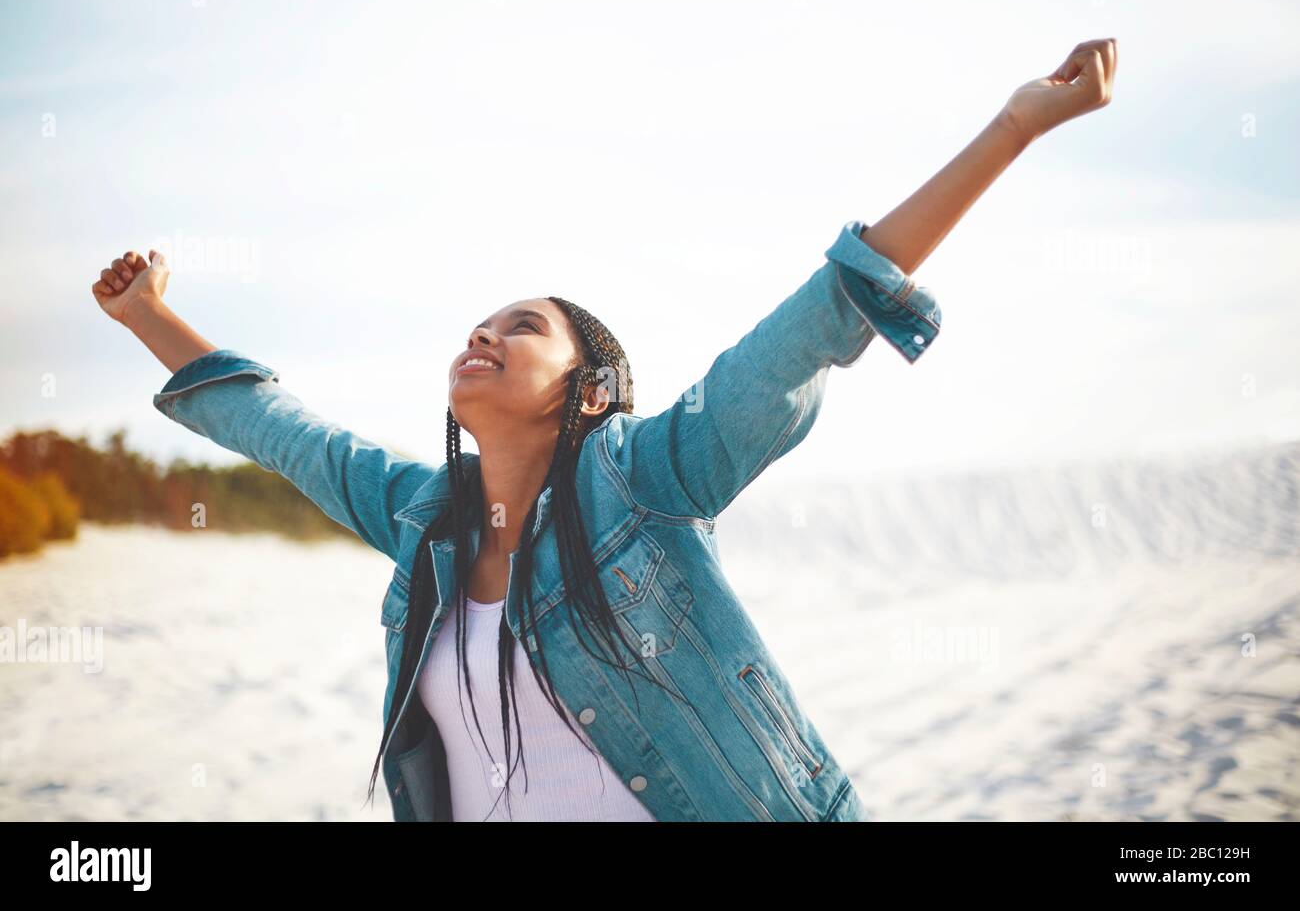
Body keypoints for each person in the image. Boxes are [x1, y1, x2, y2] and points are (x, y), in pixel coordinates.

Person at [91, 40, 1118, 821]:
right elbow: (283, 429)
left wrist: (1015, 126)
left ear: (586, 391)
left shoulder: (646, 478)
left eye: (521, 327)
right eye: (477, 323)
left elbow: (820, 317)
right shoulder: (422, 518)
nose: (482, 333)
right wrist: (149, 317)